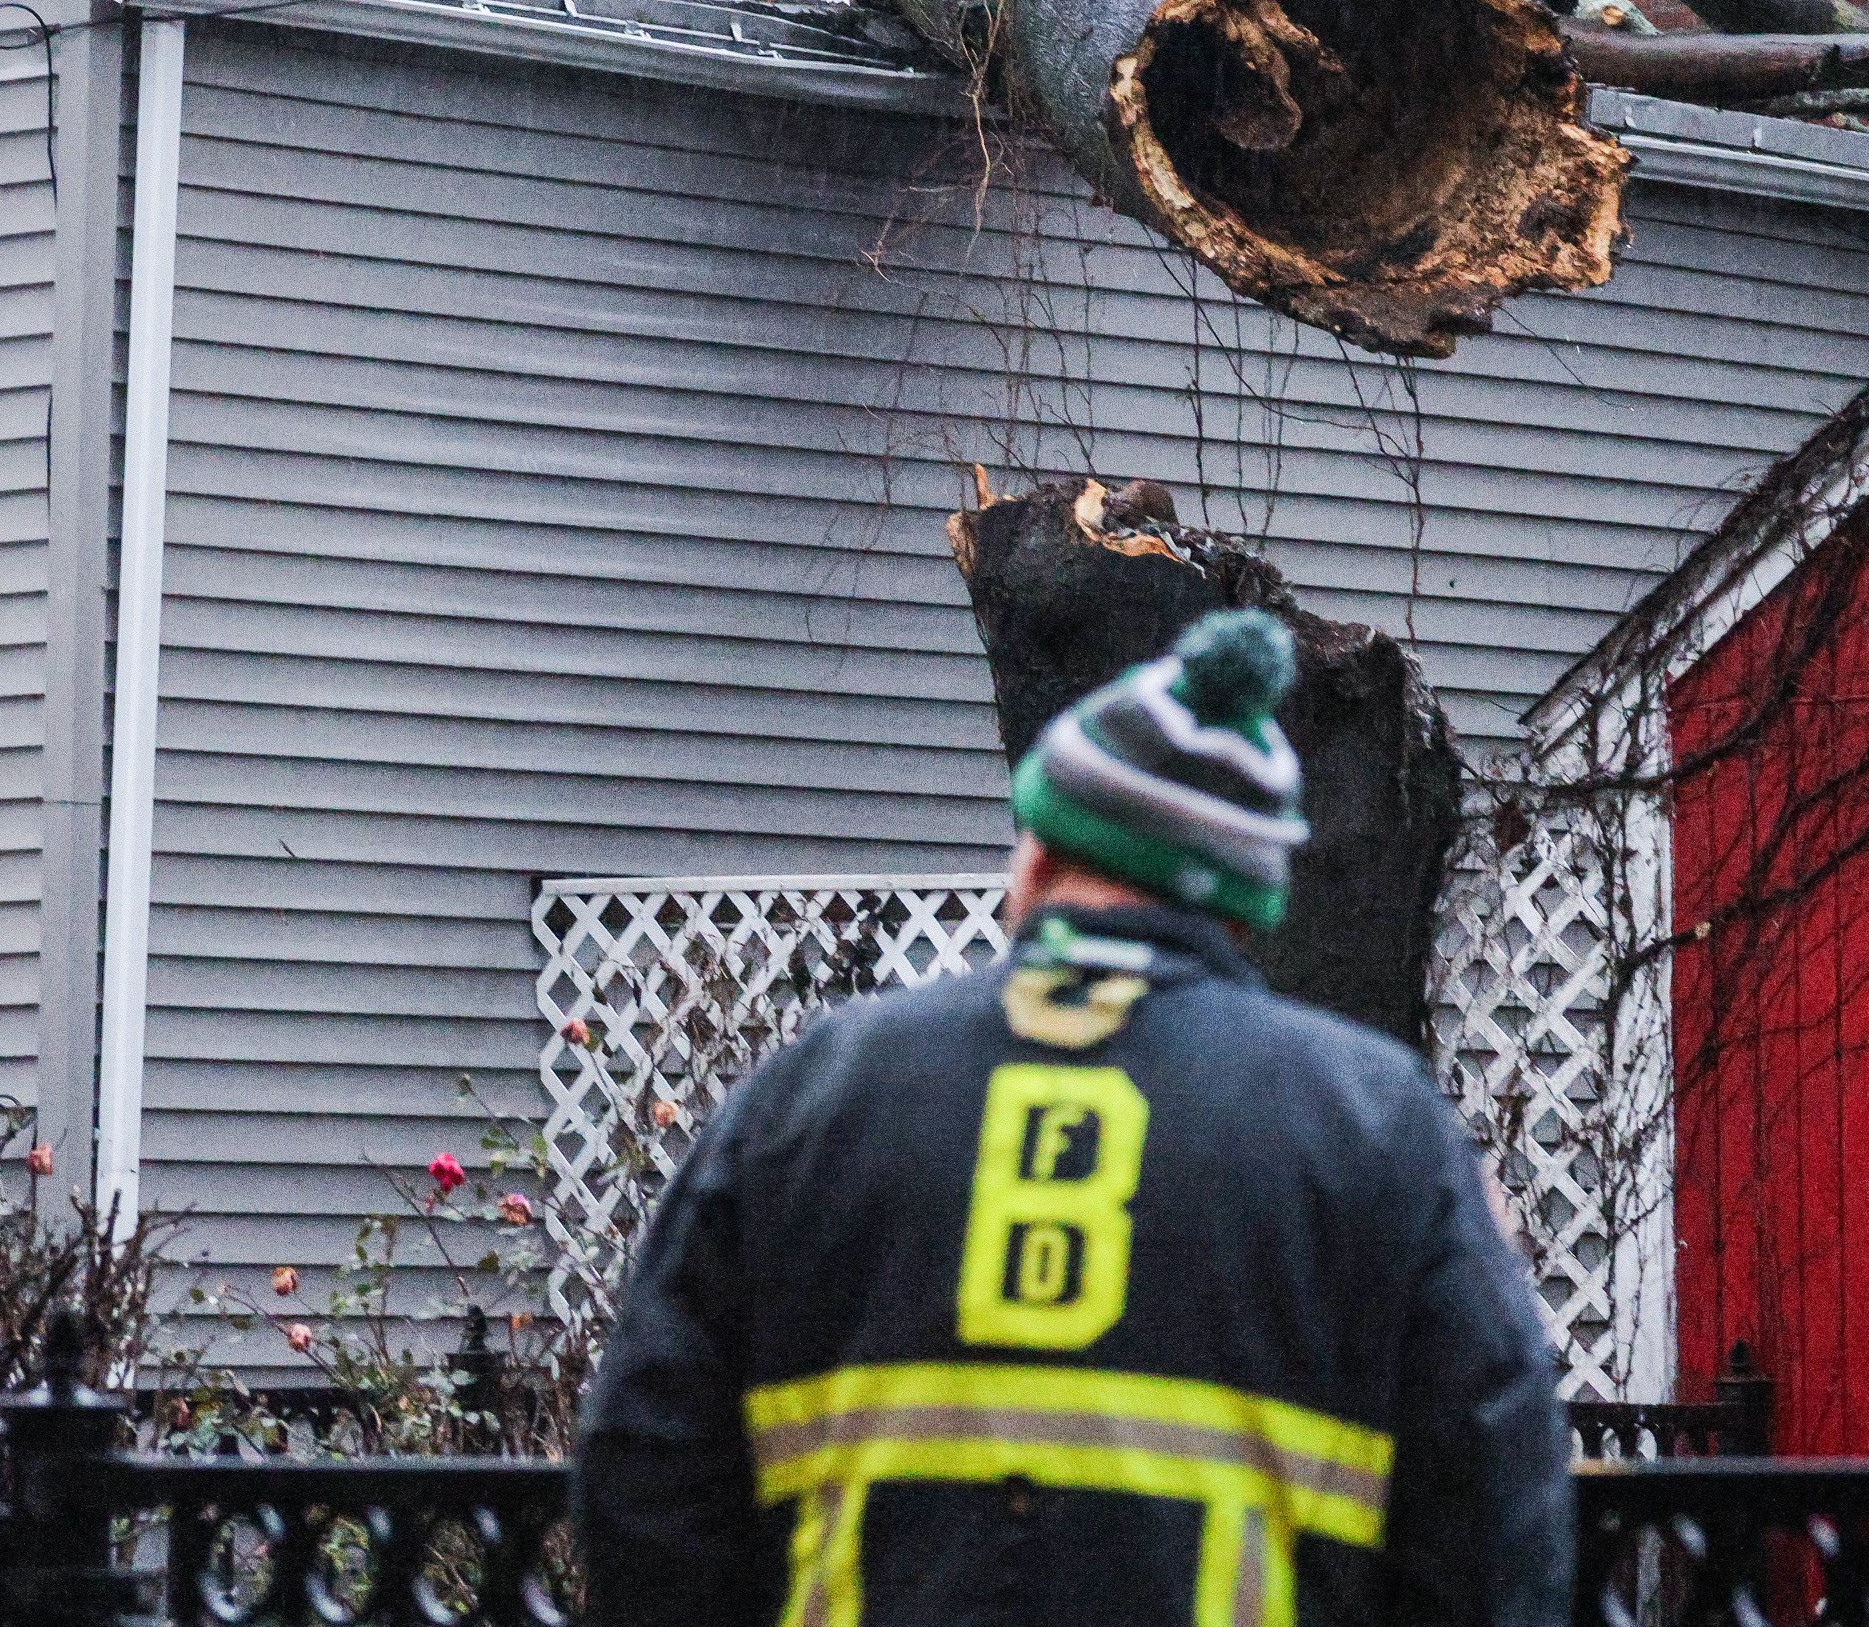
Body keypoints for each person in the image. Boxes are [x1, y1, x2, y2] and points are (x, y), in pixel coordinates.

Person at [577, 609, 1575, 1627]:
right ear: (1248, 905)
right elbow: (1491, 1523)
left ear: (1041, 854)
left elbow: (647, 1473)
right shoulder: (1374, 1128)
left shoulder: (813, 1093)